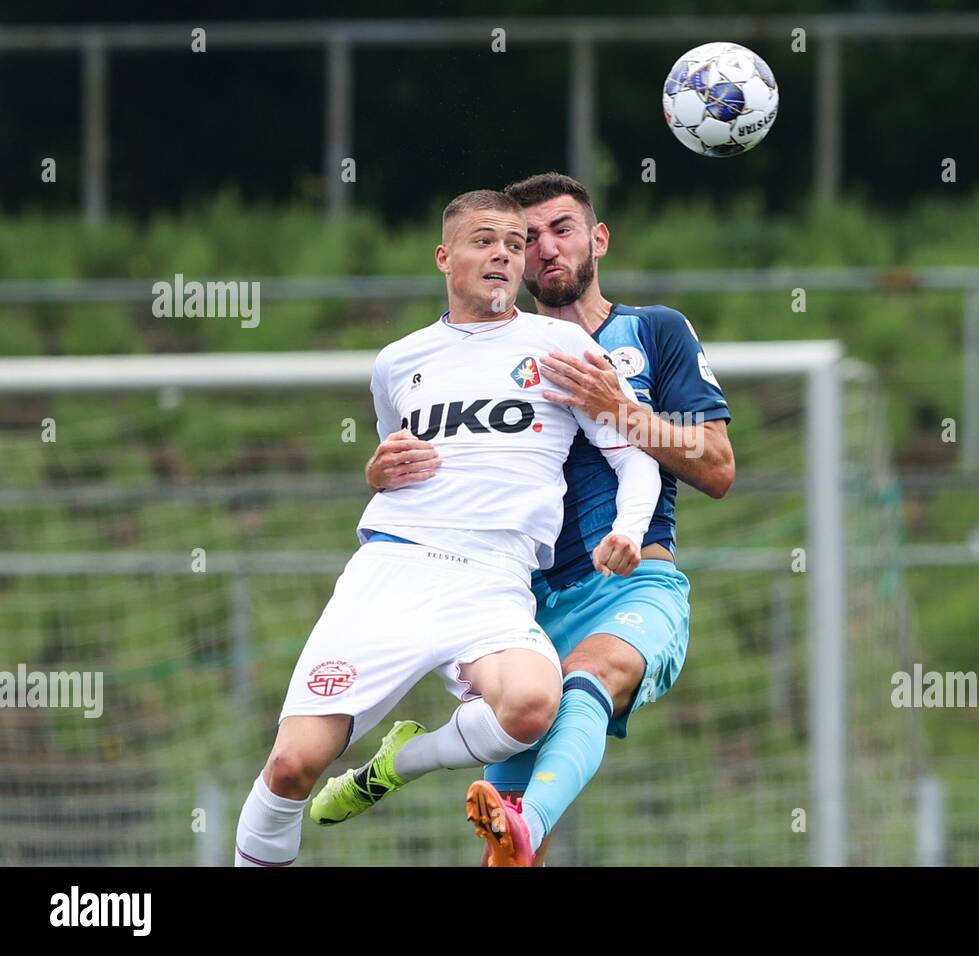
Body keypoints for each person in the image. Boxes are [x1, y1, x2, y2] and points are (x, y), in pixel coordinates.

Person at [234, 189, 660, 867]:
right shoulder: (398, 360)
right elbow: (394, 462)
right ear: (444, 256)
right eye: (485, 240)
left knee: (530, 707)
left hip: (493, 581)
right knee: (291, 766)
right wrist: (375, 471)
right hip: (393, 572)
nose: (504, 255)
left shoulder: (560, 344)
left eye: (515, 246)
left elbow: (636, 461)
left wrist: (630, 530)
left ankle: (404, 758)